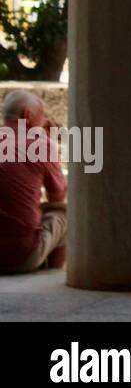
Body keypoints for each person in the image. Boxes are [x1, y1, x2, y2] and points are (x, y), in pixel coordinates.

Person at [0, 90, 68, 274]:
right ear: (27, 115)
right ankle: (51, 276)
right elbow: (58, 196)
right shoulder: (40, 143)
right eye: (42, 115)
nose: (45, 121)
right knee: (64, 216)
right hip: (20, 256)